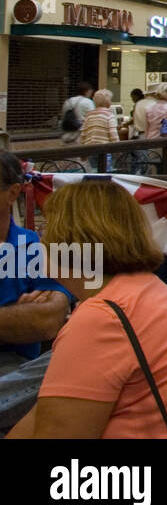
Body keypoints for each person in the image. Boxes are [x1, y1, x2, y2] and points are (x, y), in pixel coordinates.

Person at [5, 180, 167, 438]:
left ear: (68, 243)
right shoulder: (144, 288)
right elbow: (46, 411)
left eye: (48, 230)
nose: (42, 240)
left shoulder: (103, 319)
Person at [0, 153, 76, 433]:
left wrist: (33, 318)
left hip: (14, 371)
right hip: (17, 385)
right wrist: (17, 316)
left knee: (75, 357)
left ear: (13, 192)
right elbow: (33, 319)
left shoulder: (35, 248)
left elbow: (46, 321)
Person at [76, 89, 118, 170]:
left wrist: (82, 153)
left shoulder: (89, 115)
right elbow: (113, 134)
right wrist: (118, 149)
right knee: (107, 171)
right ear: (108, 102)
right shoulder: (109, 115)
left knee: (95, 170)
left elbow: (83, 134)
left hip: (91, 149)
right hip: (106, 149)